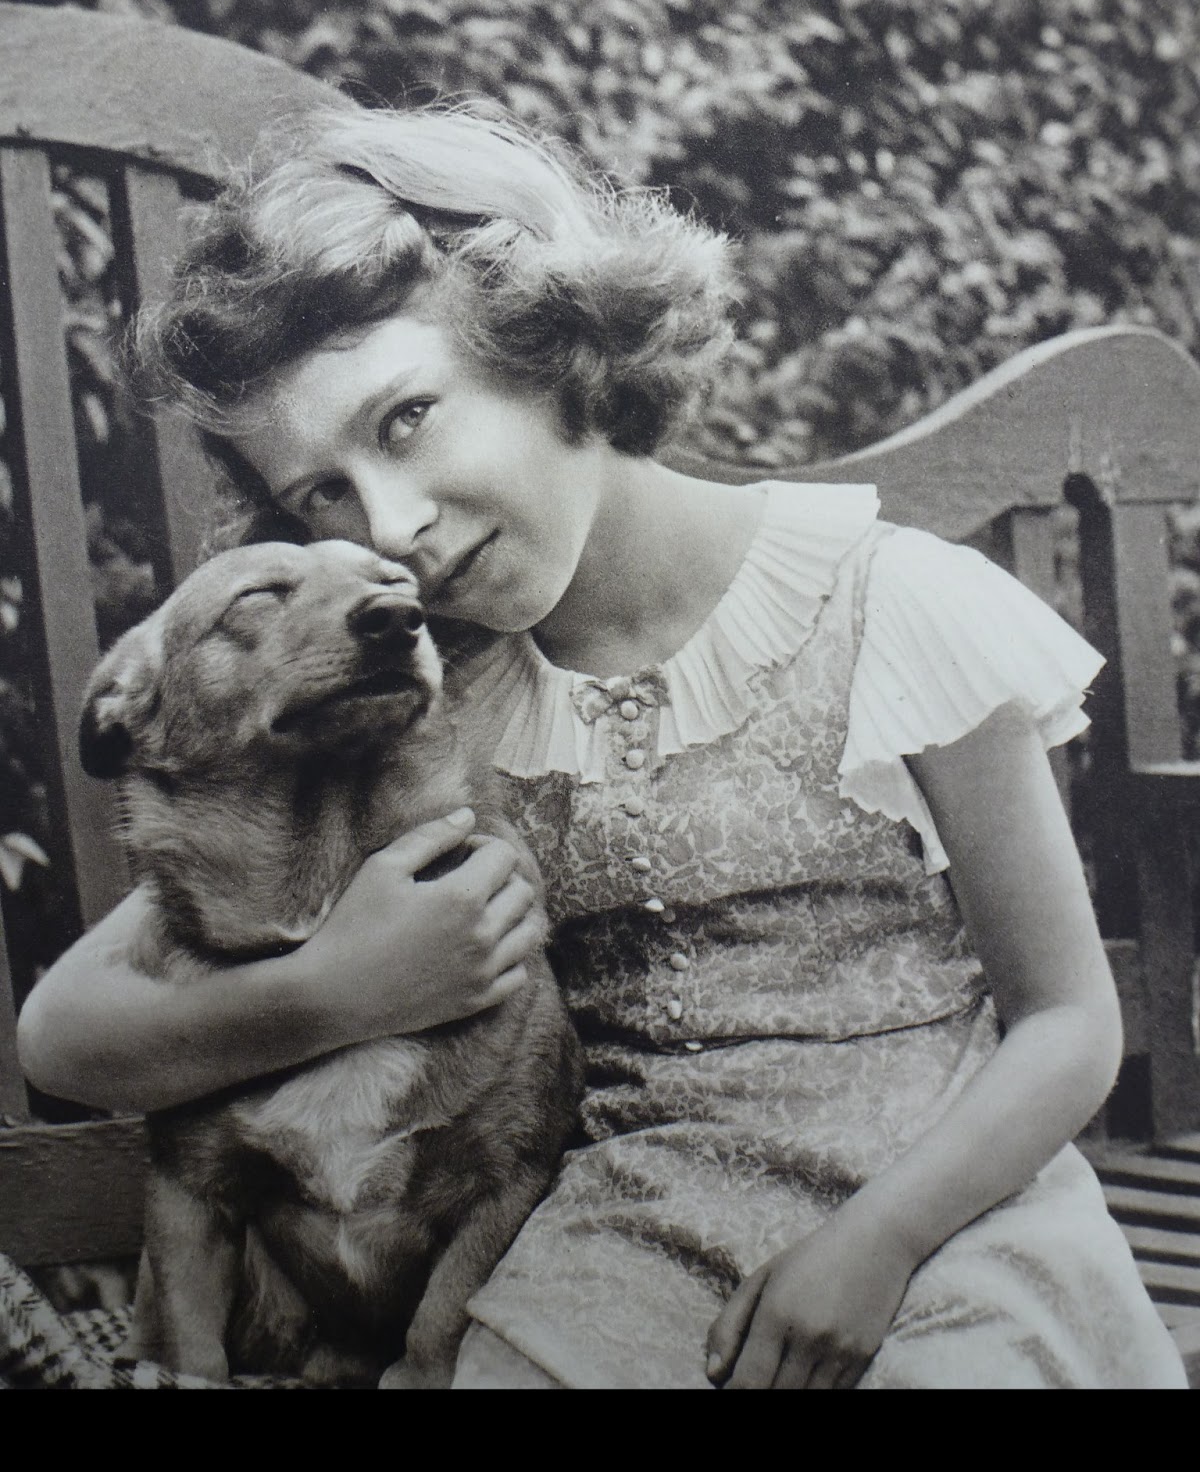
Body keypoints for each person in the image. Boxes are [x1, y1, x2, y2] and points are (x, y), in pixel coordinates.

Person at [17, 104, 1187, 1389]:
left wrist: (882, 1241)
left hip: (946, 1211)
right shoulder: (420, 695)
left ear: (551, 338)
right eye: (323, 494)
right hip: (629, 1233)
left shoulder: (889, 604)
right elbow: (66, 1034)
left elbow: (1069, 1019)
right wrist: (346, 987)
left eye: (407, 418)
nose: (391, 526)